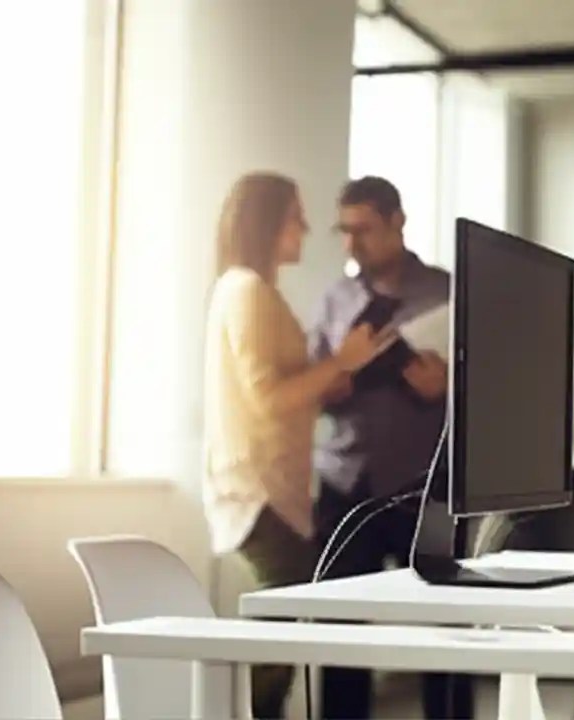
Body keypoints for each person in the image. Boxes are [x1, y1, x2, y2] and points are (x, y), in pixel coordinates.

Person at [202, 172, 379, 718]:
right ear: (269, 223)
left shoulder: (255, 291)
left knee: (281, 634)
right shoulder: (248, 292)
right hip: (257, 492)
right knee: (279, 636)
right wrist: (340, 362)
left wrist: (328, 384)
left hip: (273, 490)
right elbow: (268, 399)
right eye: (295, 217)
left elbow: (282, 394)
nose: (304, 228)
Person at [308, 176, 472, 719]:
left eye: (364, 229)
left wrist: (446, 386)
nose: (351, 243)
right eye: (344, 231)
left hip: (424, 484)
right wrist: (339, 375)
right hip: (344, 483)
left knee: (446, 629)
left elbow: (489, 385)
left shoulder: (448, 293)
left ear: (398, 222)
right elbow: (312, 388)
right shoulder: (334, 300)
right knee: (338, 632)